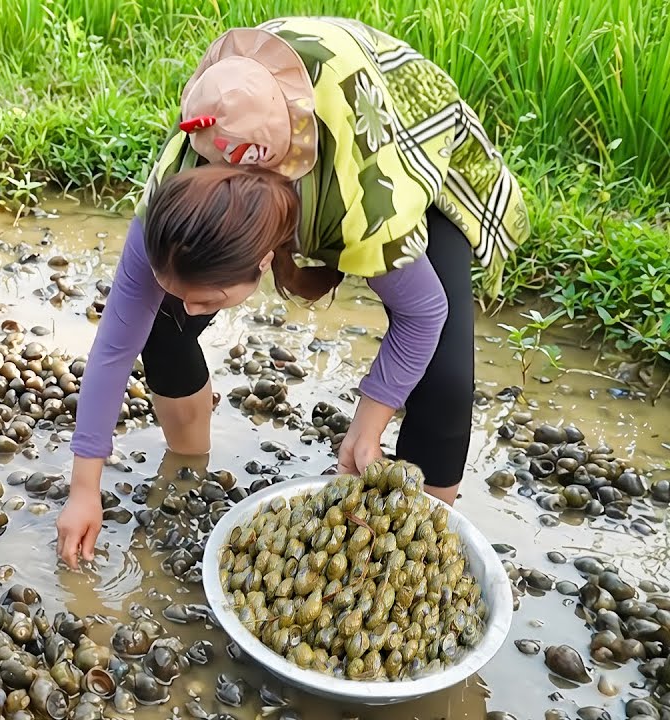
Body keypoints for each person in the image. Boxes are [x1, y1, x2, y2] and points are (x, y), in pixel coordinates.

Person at [56, 17, 529, 569]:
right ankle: (186, 466)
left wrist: (365, 429)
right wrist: (83, 487)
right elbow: (114, 346)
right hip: (266, 105)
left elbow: (423, 313)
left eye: (209, 297)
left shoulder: (358, 200)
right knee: (162, 326)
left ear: (261, 260)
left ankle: (416, 555)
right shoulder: (173, 196)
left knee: (444, 376)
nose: (193, 306)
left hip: (399, 130)